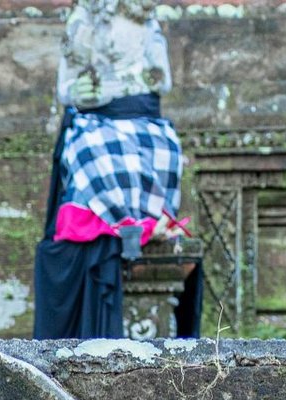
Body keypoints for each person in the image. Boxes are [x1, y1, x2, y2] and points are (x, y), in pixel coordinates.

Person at [33, 0, 185, 340]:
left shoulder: (146, 20)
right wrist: (77, 91)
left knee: (168, 150)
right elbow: (66, 87)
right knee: (94, 155)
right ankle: (118, 225)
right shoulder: (84, 18)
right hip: (96, 123)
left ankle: (149, 220)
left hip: (143, 121)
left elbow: (161, 80)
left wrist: (131, 82)